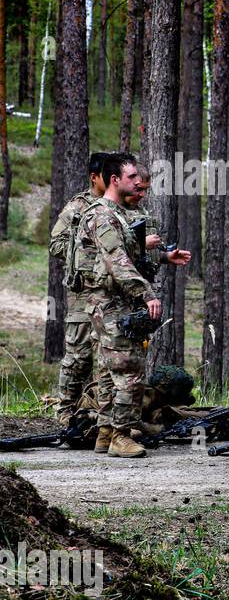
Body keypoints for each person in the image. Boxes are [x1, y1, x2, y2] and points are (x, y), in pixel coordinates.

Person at [74, 155, 165, 458]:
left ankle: (105, 431)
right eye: (131, 177)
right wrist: (147, 294)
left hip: (110, 301)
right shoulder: (103, 215)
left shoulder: (117, 214)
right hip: (109, 303)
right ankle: (121, 436)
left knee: (108, 371)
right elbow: (117, 262)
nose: (137, 182)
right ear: (115, 180)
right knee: (129, 368)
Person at [49, 152, 112, 427]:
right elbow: (56, 244)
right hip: (82, 293)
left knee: (107, 358)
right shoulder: (77, 206)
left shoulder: (119, 206)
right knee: (78, 355)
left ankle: (102, 415)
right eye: (106, 175)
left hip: (110, 293)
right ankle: (65, 411)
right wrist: (86, 250)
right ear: (93, 177)